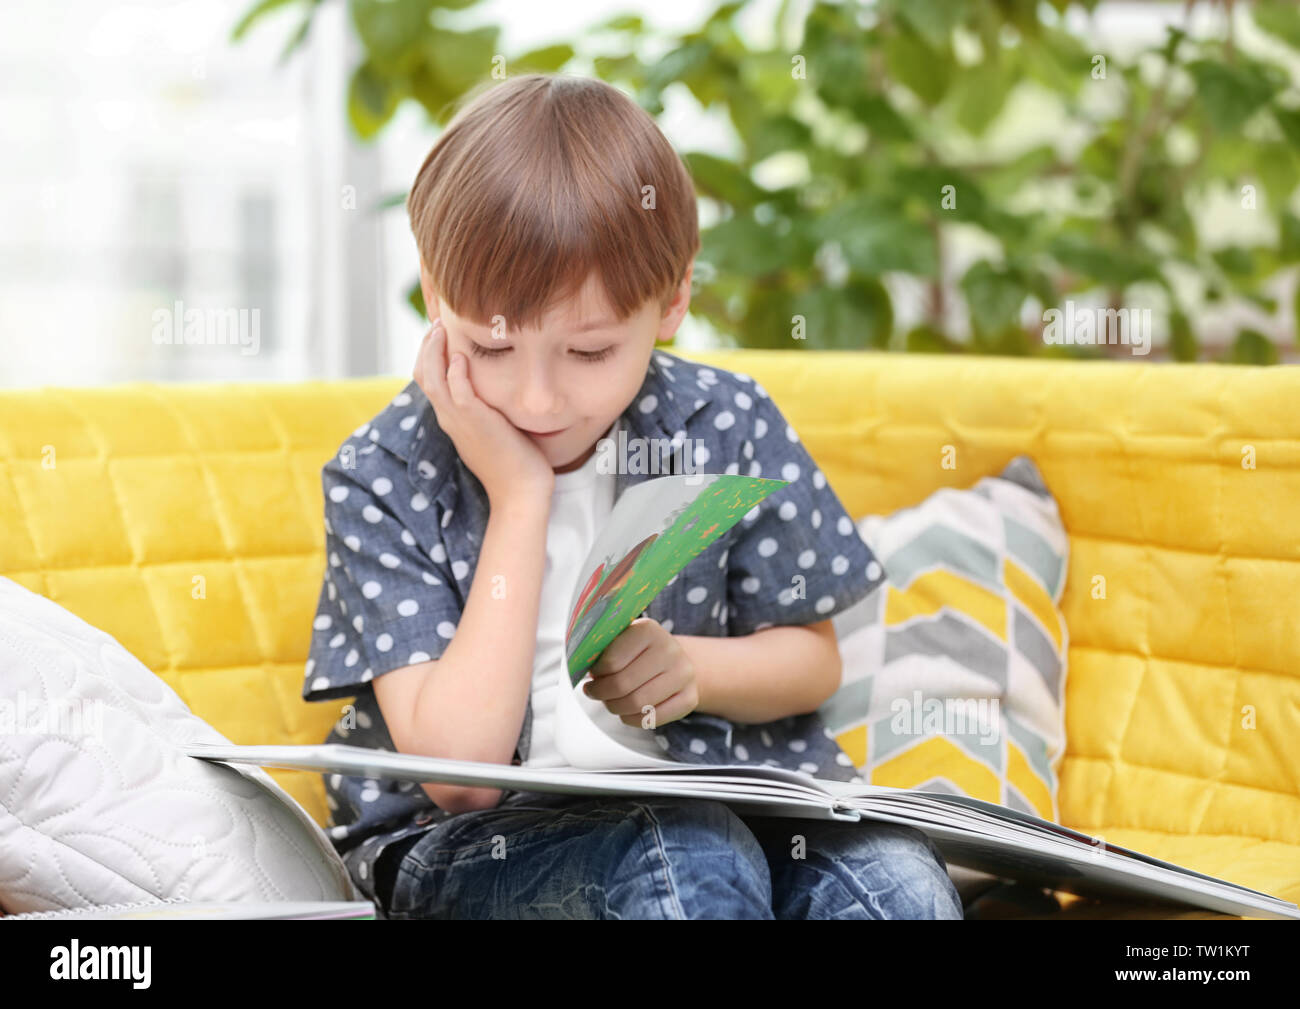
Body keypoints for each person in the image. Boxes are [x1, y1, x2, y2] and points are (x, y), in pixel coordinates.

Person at [300, 72, 964, 920]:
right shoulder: (381, 472)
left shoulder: (723, 421)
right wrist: (518, 495)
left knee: (896, 883)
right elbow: (456, 770)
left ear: (673, 300)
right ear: (435, 292)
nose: (537, 400)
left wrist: (694, 669)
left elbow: (813, 659)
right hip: (470, 843)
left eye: (589, 354)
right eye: (492, 349)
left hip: (736, 806)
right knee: (680, 856)